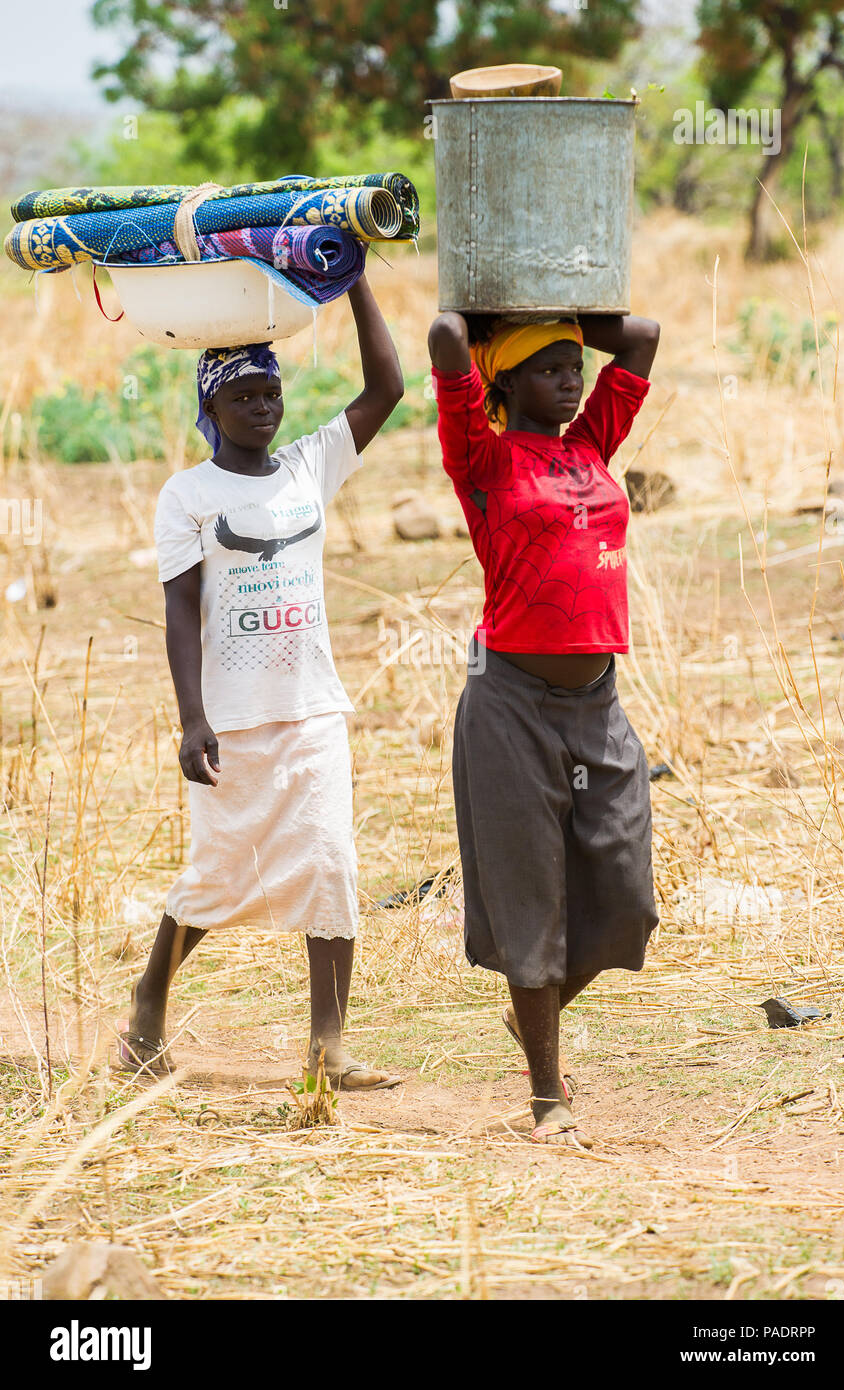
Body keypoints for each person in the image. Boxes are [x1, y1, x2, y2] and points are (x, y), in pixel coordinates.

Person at [120, 273, 404, 1091]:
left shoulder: (310, 467)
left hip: (313, 707)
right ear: (211, 408)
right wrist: (190, 719)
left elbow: (385, 385)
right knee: (215, 877)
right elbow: (181, 613)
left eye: (270, 390)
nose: (263, 406)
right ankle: (146, 1009)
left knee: (329, 865)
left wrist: (352, 283)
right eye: (243, 394)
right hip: (233, 720)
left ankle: (328, 1050)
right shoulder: (189, 496)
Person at [427, 310, 661, 1145]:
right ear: (509, 381)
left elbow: (642, 335)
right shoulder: (481, 458)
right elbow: (448, 338)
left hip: (596, 702)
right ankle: (546, 1096)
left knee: (628, 897)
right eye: (550, 367)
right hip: (510, 703)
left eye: (575, 365)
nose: (571, 379)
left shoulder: (592, 443)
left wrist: (568, 301)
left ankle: (533, 1017)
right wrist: (498, 306)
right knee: (529, 897)